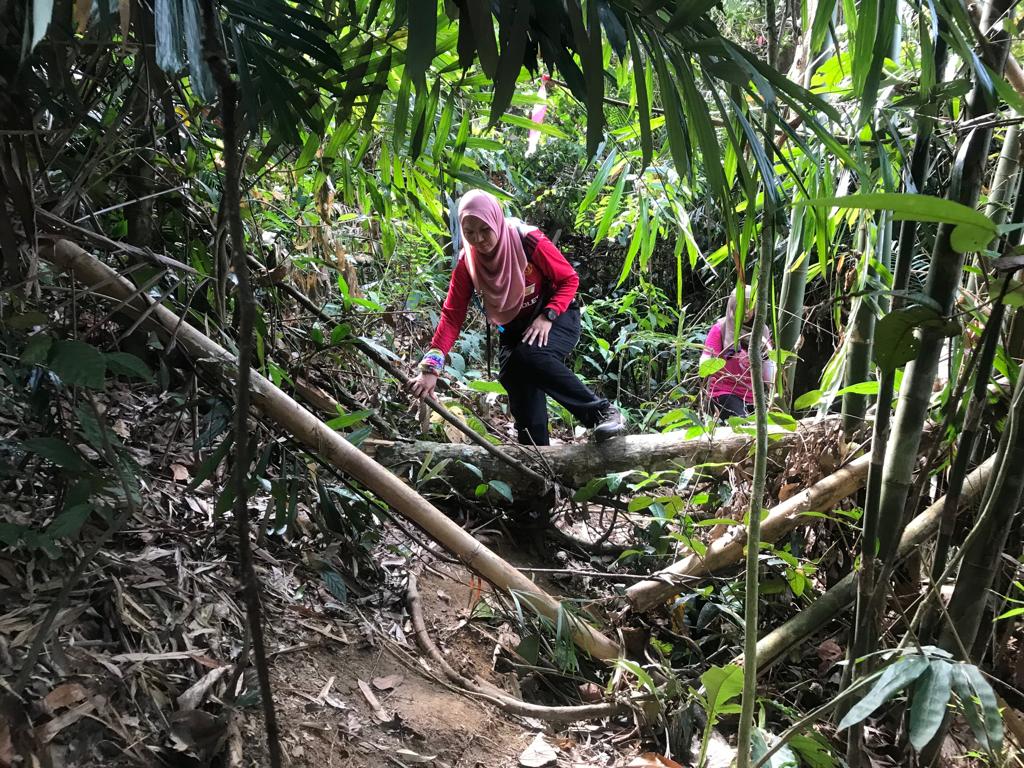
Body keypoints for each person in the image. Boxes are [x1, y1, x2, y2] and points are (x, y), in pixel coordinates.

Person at [408, 190, 625, 445]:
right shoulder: (468, 263)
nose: (478, 239)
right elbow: (452, 316)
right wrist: (431, 368)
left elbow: (569, 278)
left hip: (557, 315)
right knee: (513, 374)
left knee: (530, 355)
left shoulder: (527, 240)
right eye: (469, 232)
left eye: (485, 230)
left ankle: (602, 412)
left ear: (496, 220)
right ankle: (539, 458)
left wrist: (548, 315)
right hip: (514, 330)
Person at [700, 287, 775, 421]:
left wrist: (767, 352)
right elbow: (705, 365)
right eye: (741, 306)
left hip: (752, 395)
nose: (746, 311)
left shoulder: (761, 331)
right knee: (743, 424)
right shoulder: (720, 329)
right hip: (723, 392)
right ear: (733, 307)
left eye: (750, 307)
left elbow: (768, 371)